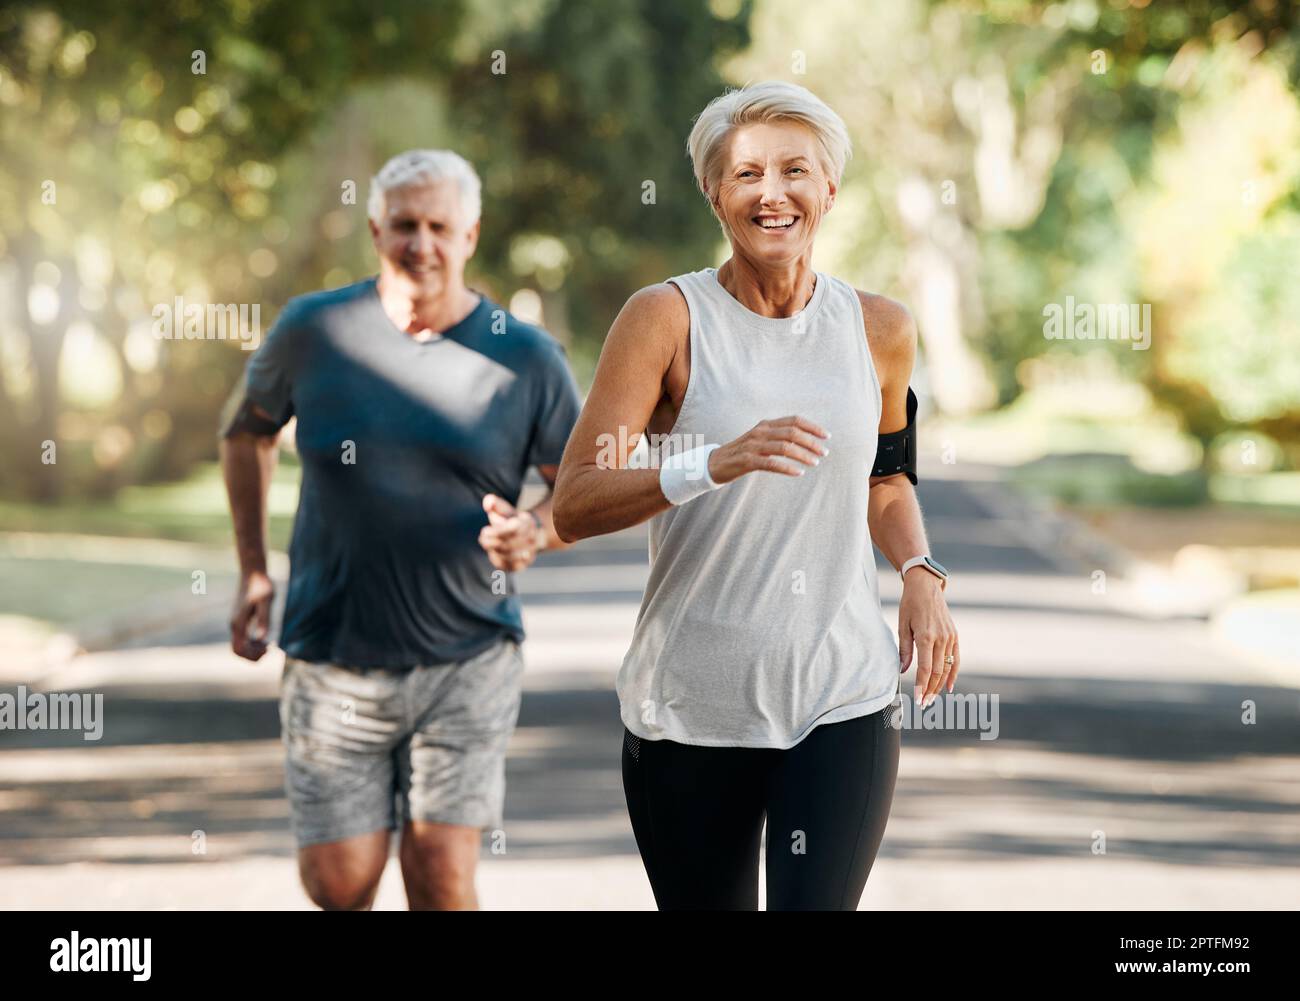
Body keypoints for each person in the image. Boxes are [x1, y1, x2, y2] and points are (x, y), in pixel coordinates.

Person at [551, 81, 960, 910]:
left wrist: (920, 569)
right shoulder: (663, 319)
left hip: (841, 694)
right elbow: (576, 498)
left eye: (794, 171)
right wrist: (710, 462)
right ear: (714, 192)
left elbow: (885, 476)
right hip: (691, 705)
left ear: (830, 190)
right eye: (745, 175)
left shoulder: (880, 328)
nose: (771, 193)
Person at [219, 149, 583, 910]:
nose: (423, 244)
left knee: (441, 873)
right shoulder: (314, 330)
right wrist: (254, 568)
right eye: (406, 226)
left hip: (469, 653)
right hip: (333, 651)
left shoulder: (527, 357)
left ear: (471, 235)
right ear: (376, 229)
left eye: (440, 226)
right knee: (339, 881)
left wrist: (535, 533)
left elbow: (577, 492)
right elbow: (246, 433)